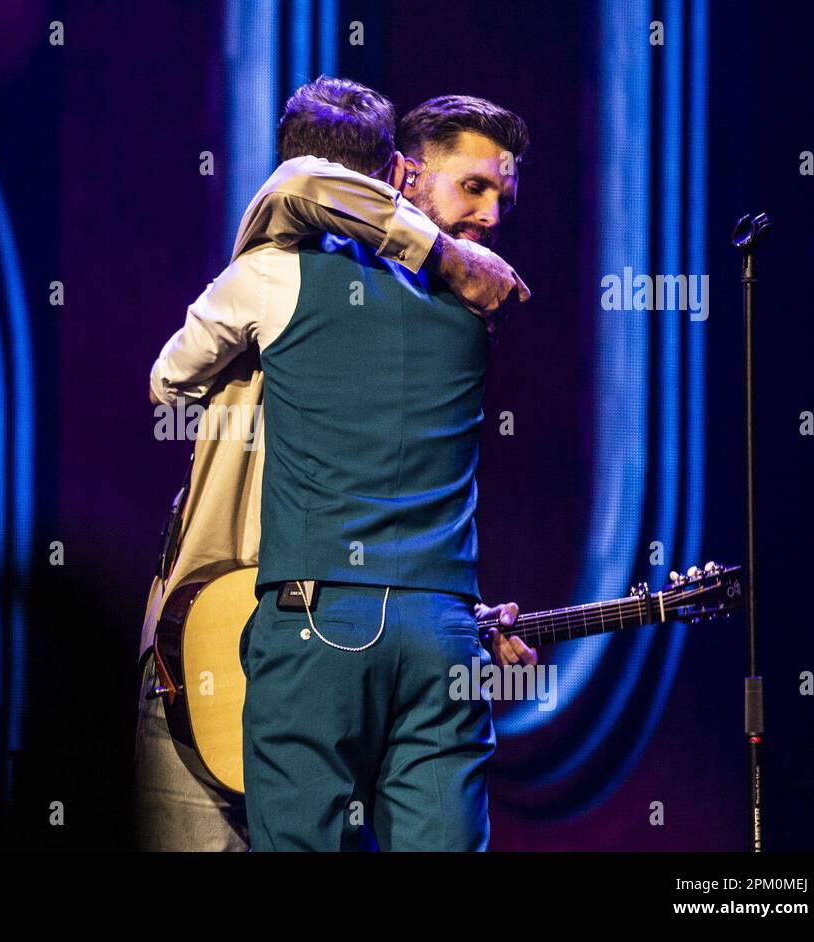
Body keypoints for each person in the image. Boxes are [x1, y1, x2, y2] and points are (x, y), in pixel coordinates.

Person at [138, 78, 536, 851]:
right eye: (475, 188)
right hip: (435, 626)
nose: (489, 217)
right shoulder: (474, 304)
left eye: (502, 200)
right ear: (401, 175)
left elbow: (168, 380)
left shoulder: (277, 273)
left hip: (307, 615)